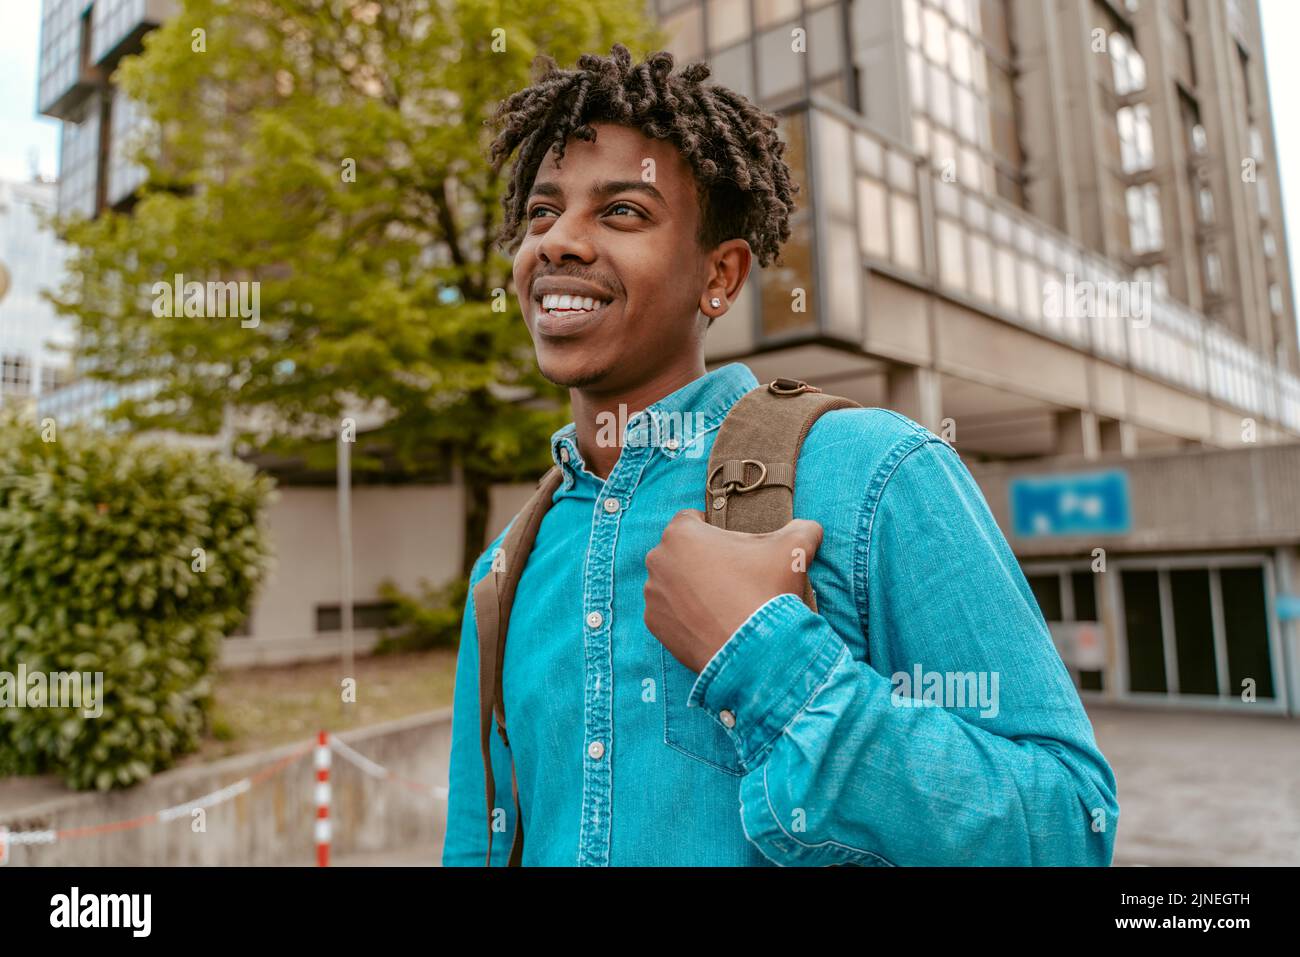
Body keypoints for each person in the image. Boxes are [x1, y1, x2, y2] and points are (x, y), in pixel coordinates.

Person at [441, 44, 1118, 866]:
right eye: (542, 213)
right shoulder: (502, 575)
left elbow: (1071, 828)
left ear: (718, 276)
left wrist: (768, 657)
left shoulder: (876, 472)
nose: (559, 243)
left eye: (622, 211)